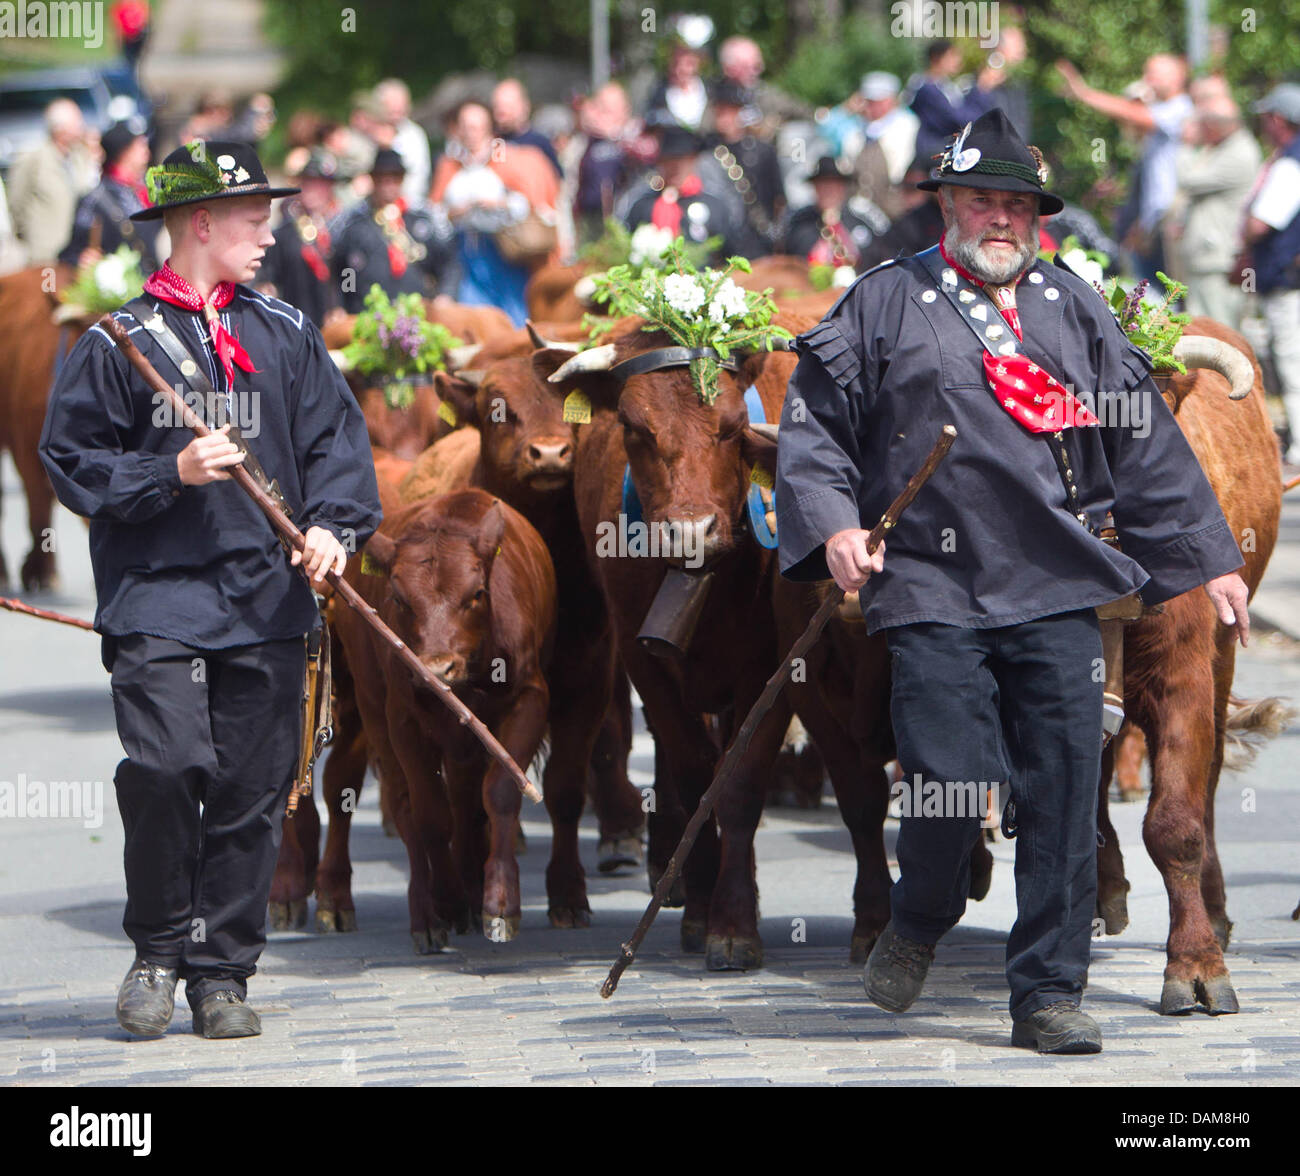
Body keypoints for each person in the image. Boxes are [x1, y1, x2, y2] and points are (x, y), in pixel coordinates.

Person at [774, 109, 1249, 1054]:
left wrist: (1209, 558)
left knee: (1069, 792)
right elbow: (816, 431)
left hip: (1057, 580)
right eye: (981, 199)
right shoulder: (879, 302)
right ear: (945, 204)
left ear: (1036, 218)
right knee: (948, 786)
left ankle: (1046, 994)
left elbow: (1142, 446)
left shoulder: (1075, 308)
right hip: (932, 589)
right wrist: (833, 527)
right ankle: (922, 915)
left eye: (1016, 205)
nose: (1000, 218)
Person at [38, 140, 382, 1040]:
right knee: (164, 766)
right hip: (158, 596)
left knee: (251, 790)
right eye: (252, 218)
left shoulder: (286, 333)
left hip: (268, 601)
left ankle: (221, 974)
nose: (270, 234)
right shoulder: (113, 342)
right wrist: (170, 473)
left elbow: (337, 452)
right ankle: (157, 951)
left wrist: (332, 531)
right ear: (199, 223)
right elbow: (71, 462)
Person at [1056, 54, 1192, 286]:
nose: (1146, 79)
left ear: (1177, 77)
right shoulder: (1166, 112)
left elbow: (1134, 114)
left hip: (1172, 221)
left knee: (1170, 295)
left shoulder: (1179, 109)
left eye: (1153, 73)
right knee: (1153, 293)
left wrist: (1084, 94)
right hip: (1156, 222)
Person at [430, 99, 558, 325]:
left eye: (477, 127)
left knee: (511, 318)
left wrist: (498, 204)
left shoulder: (508, 159)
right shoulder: (450, 164)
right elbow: (435, 213)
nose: (471, 133)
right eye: (466, 126)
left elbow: (527, 205)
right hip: (466, 256)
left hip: (503, 252)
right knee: (475, 321)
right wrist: (455, 212)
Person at [1240, 83, 1300, 465]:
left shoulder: (1292, 161)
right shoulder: (1285, 157)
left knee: (1292, 360)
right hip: (1281, 281)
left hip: (1287, 285)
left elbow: (1262, 223)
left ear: (1278, 119)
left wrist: (1244, 233)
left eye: (1266, 117)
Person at [1167, 94, 1259, 328]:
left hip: (1218, 260)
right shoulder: (1221, 149)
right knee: (1205, 325)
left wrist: (1187, 145)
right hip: (1207, 258)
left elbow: (1187, 179)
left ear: (1213, 125)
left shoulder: (1239, 153)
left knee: (1218, 329)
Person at [330, 148, 458, 314]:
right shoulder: (354, 224)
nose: (388, 184)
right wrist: (344, 303)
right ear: (373, 180)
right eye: (381, 178)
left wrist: (445, 295)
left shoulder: (421, 219)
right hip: (367, 317)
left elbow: (448, 264)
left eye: (394, 178)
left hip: (418, 315)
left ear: (402, 179)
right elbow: (343, 269)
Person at [615, 125, 742, 260]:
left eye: (681, 160)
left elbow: (732, 254)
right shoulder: (643, 207)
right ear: (660, 163)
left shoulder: (714, 206)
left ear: (693, 160)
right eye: (668, 160)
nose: (675, 168)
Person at [59, 118, 160, 274]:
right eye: (140, 145)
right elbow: (70, 255)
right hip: (121, 292)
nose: (147, 152)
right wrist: (81, 259)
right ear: (124, 152)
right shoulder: (95, 200)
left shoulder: (148, 190)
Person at [258, 148, 343, 327]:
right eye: (308, 182)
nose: (313, 190)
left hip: (334, 325)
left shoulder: (341, 228)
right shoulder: (284, 233)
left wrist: (340, 306)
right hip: (297, 322)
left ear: (330, 188)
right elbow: (268, 279)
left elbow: (349, 274)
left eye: (320, 184)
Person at [8, 98, 93, 263]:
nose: (82, 127)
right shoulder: (33, 158)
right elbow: (16, 203)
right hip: (45, 254)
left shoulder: (78, 157)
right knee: (47, 287)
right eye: (77, 123)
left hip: (74, 254)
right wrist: (29, 235)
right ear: (60, 129)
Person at [705, 82, 784, 258]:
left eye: (729, 110)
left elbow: (778, 199)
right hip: (721, 239)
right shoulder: (706, 149)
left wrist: (778, 236)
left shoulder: (762, 150)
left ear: (740, 112)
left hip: (758, 238)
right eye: (719, 111)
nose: (724, 117)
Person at [781, 155, 898, 273]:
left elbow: (884, 257)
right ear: (815, 188)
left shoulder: (865, 219)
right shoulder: (798, 223)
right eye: (822, 184)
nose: (828, 190)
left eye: (834, 184)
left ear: (843, 187)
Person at [375, 78, 432, 205]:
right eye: (390, 106)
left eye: (400, 106)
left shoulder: (415, 136)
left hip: (406, 204)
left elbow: (419, 177)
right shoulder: (370, 131)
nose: (396, 110)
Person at [493, 77, 563, 177]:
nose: (502, 112)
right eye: (497, 106)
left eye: (508, 106)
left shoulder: (539, 143)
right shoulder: (494, 142)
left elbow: (556, 181)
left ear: (524, 106)